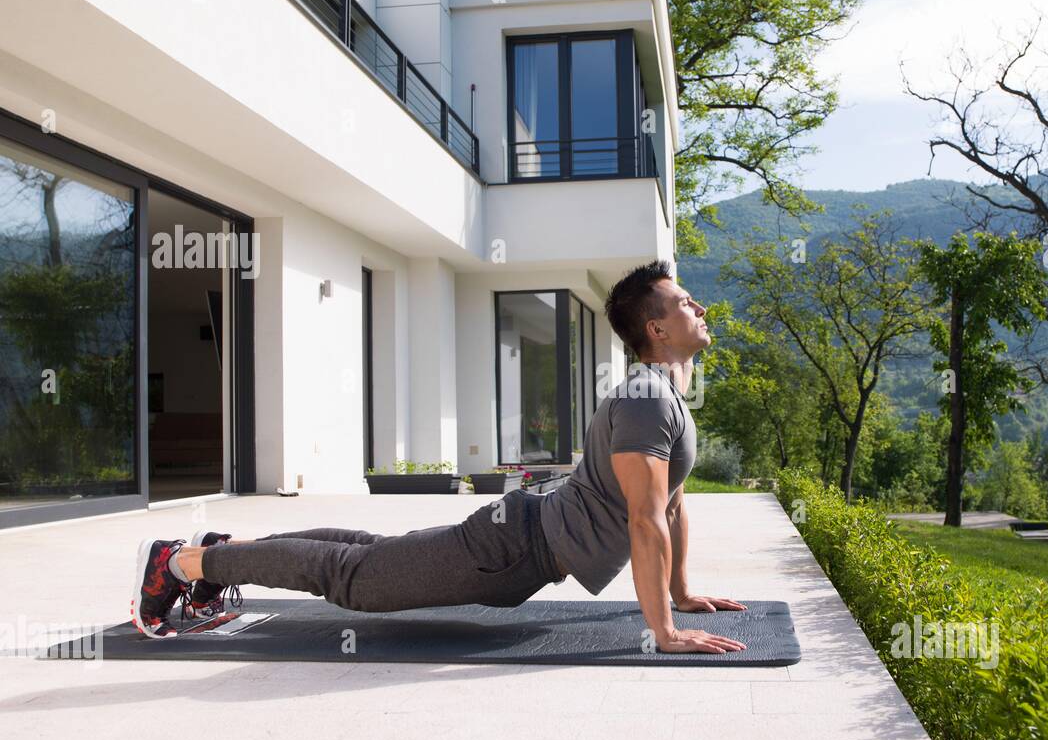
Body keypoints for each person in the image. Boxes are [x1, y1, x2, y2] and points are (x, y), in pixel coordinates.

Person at [131, 260, 748, 655]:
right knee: (355, 579)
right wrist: (664, 632)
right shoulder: (646, 398)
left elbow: (671, 502)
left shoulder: (664, 396)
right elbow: (645, 519)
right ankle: (182, 564)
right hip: (511, 551)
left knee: (366, 549)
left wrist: (683, 591)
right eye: (687, 302)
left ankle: (222, 548)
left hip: (519, 542)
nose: (701, 307)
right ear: (658, 330)